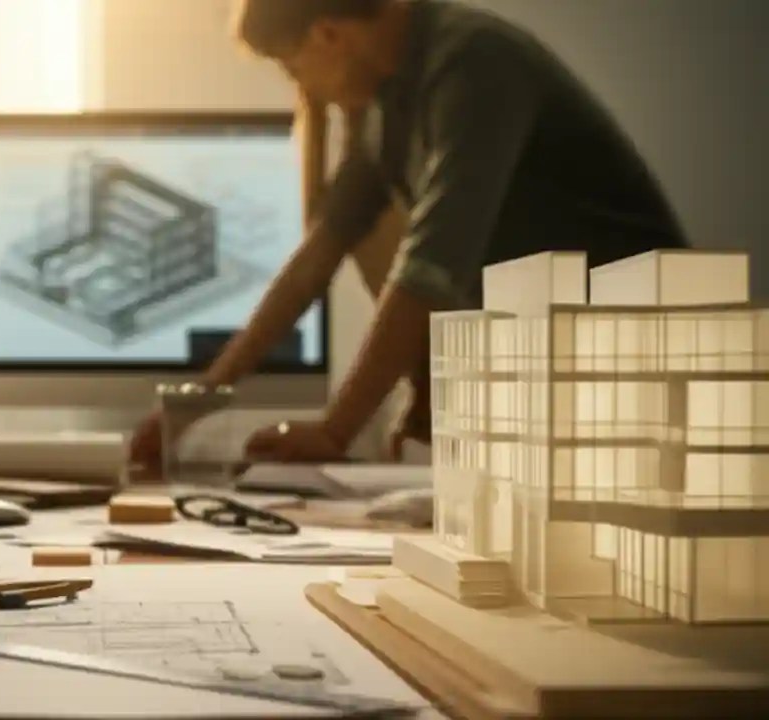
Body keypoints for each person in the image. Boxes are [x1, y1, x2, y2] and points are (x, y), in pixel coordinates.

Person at [128, 0, 689, 468]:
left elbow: (432, 264)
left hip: (645, 369)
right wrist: (202, 397)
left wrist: (335, 431)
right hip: (559, 369)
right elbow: (315, 259)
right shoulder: (386, 104)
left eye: (292, 68)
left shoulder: (473, 61)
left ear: (328, 36)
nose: (303, 87)